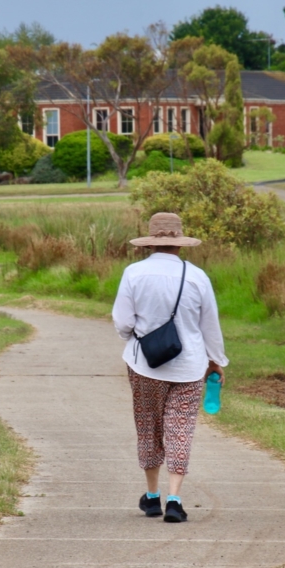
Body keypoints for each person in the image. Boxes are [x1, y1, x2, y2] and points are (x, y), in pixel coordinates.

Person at [112, 212, 228, 523]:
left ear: (150, 243)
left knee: (148, 425)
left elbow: (123, 322)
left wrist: (136, 339)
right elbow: (210, 326)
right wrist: (216, 361)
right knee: (180, 428)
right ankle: (175, 500)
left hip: (144, 364)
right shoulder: (197, 276)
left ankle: (152, 498)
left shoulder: (133, 273)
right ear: (180, 243)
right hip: (189, 366)